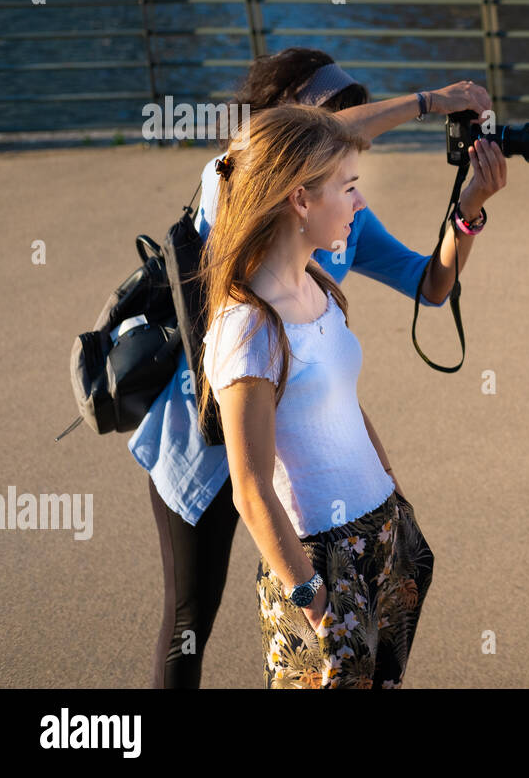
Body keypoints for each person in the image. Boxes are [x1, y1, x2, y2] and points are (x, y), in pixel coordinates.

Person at [131, 48, 505, 688]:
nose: (341, 130)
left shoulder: (340, 226)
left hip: (299, 444)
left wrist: (467, 210)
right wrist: (429, 103)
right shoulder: (237, 175)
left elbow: (431, 283)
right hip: (208, 436)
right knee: (192, 615)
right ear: (294, 171)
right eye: (324, 119)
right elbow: (313, 148)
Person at [199, 104, 472, 687]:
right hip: (323, 557)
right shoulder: (246, 325)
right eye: (348, 187)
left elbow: (345, 401)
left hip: (385, 535)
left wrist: (397, 502)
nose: (360, 203)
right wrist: (314, 600)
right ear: (300, 199)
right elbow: (250, 489)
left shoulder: (318, 284)